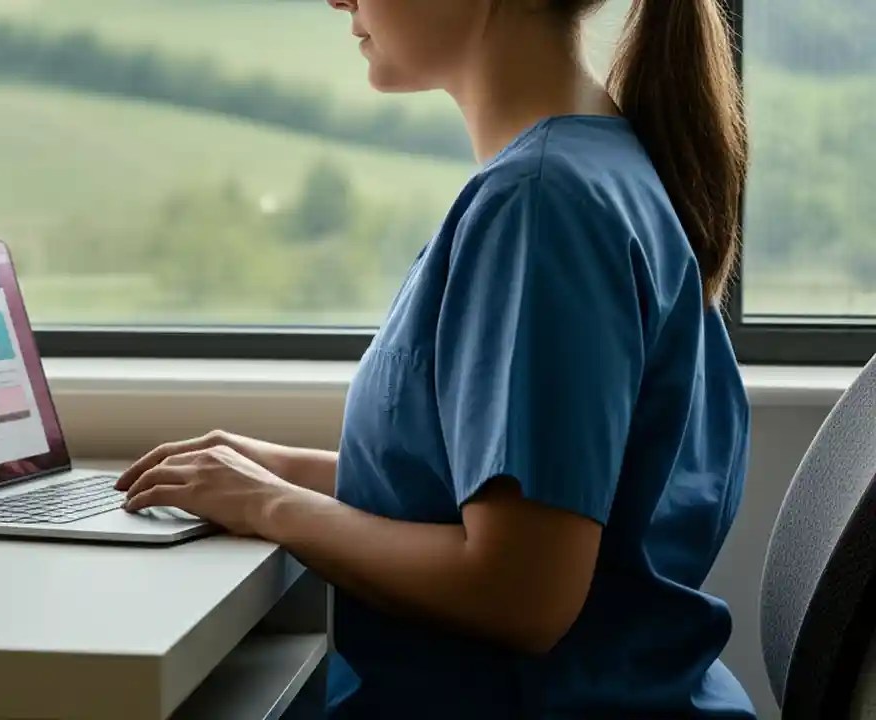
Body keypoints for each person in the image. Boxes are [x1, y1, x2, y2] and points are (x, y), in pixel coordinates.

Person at [116, 0, 754, 716]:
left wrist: (270, 505)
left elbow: (520, 593)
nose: (338, 0)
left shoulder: (541, 206)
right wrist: (277, 468)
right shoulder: (592, 170)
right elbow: (500, 502)